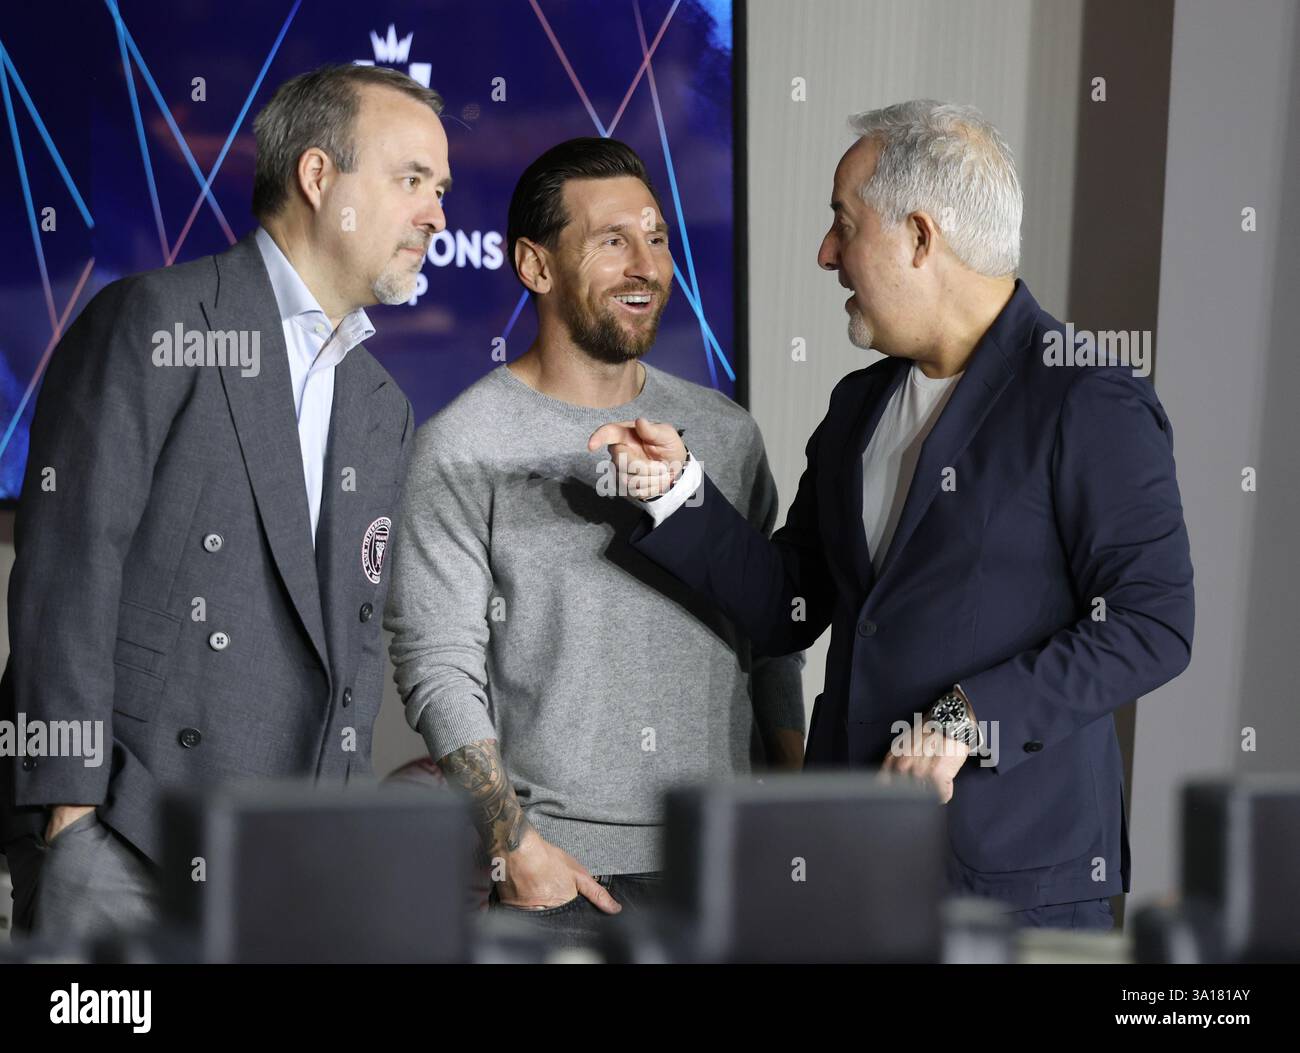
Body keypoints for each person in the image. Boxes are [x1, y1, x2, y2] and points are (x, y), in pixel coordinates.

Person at [588, 101, 1195, 929]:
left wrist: (970, 717)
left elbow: (1152, 622)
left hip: (1016, 890)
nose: (826, 252)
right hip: (848, 867)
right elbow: (785, 604)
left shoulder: (1089, 395)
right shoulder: (858, 404)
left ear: (918, 236)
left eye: (843, 223)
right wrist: (674, 492)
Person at [0, 63, 449, 943]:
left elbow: (350, 650)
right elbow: (67, 571)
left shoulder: (384, 408)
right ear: (319, 179)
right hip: (125, 842)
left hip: (290, 866)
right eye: (411, 182)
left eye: (438, 189)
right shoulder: (158, 320)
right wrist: (69, 814)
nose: (436, 214)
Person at [385, 137, 805, 952]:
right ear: (536, 267)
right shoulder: (461, 443)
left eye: (656, 237)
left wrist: (788, 816)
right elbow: (438, 664)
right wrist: (517, 847)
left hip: (725, 861)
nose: (645, 264)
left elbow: (772, 643)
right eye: (612, 241)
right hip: (565, 878)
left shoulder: (725, 431)